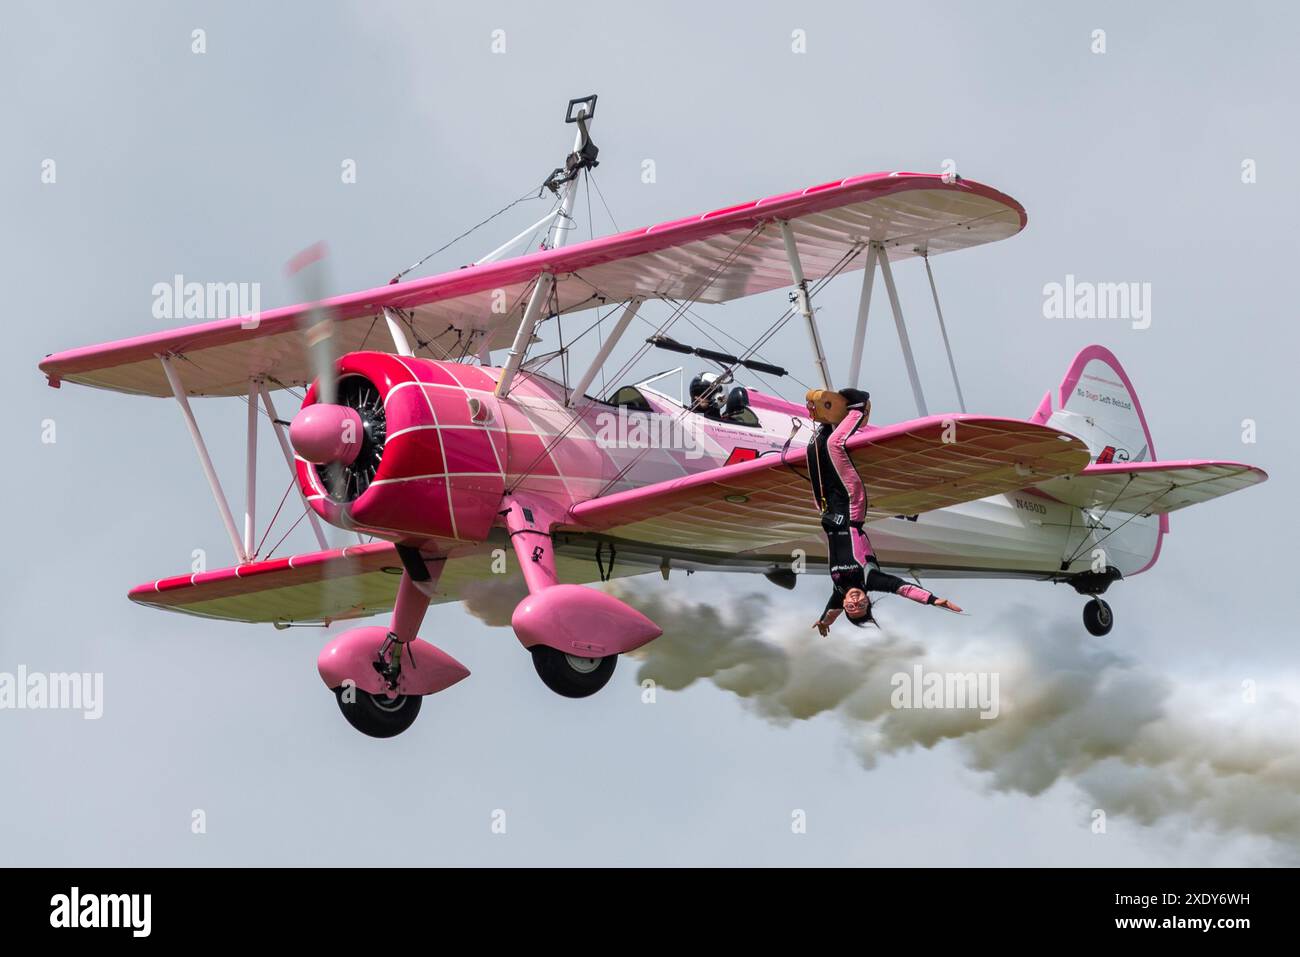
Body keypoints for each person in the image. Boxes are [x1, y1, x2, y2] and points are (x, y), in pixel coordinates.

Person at [804, 387, 962, 634]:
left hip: (826, 509)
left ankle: (828, 424)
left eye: (852, 607)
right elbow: (903, 588)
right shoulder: (870, 579)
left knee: (814, 449)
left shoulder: (839, 590)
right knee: (835, 446)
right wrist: (933, 600)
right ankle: (858, 408)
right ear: (868, 600)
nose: (856, 602)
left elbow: (832, 610)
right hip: (850, 507)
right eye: (862, 605)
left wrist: (825, 621)